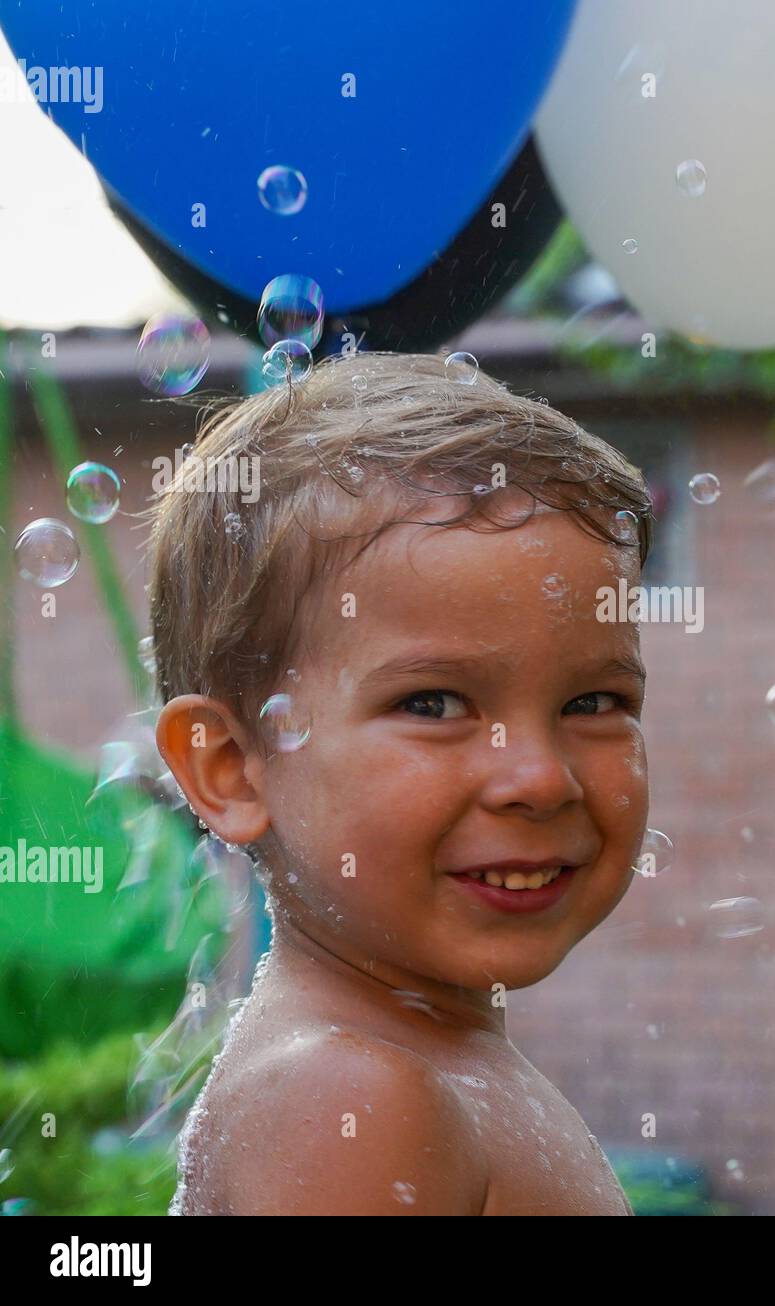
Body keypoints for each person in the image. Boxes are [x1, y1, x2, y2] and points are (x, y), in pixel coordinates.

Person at [148, 351, 652, 1214]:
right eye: (434, 702)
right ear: (231, 769)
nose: (539, 776)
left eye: (593, 700)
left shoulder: (429, 1061)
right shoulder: (348, 1098)